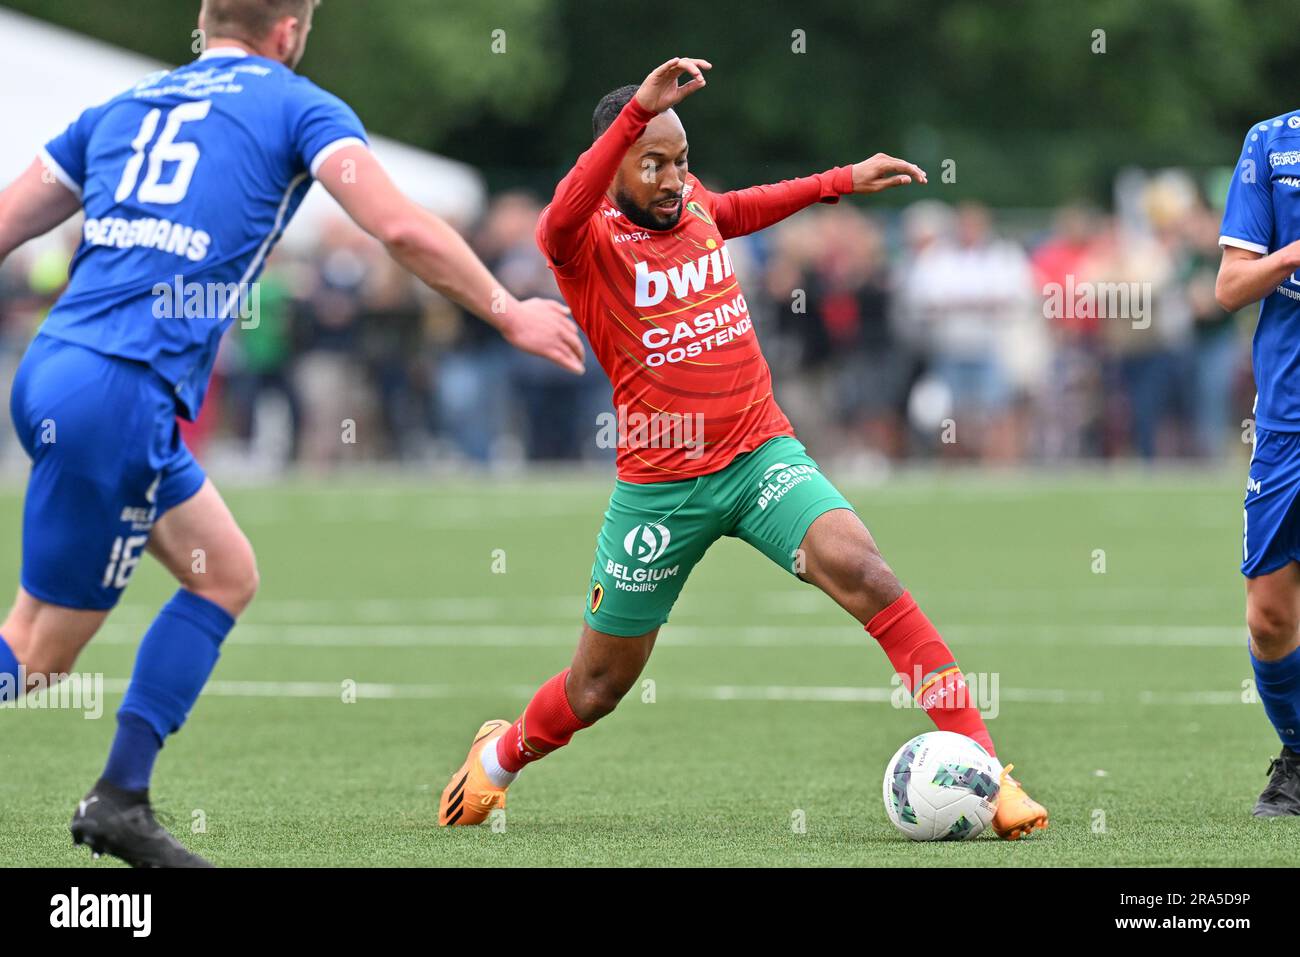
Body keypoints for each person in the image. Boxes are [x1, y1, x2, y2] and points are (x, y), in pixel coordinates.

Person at [0, 0, 583, 867]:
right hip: (119, 391)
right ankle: (118, 796)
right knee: (39, 655)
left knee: (224, 572)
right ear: (290, 29)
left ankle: (122, 796)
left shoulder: (126, 105)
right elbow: (398, 225)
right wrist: (507, 311)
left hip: (57, 370)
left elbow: (9, 221)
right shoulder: (297, 104)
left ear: (207, 20)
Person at [438, 57, 1048, 840]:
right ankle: (501, 754)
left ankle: (988, 772)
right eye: (650, 162)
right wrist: (635, 118)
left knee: (866, 570)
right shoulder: (581, 241)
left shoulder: (689, 202)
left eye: (680, 160)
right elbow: (558, 211)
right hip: (662, 488)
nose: (670, 179)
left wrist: (840, 180)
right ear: (613, 162)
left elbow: (737, 207)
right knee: (597, 685)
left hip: (760, 453)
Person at [1216, 110, 1300, 816]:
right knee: (1270, 615)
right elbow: (1231, 288)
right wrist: (1291, 255)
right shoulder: (1271, 143)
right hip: (1286, 423)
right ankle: (1299, 754)